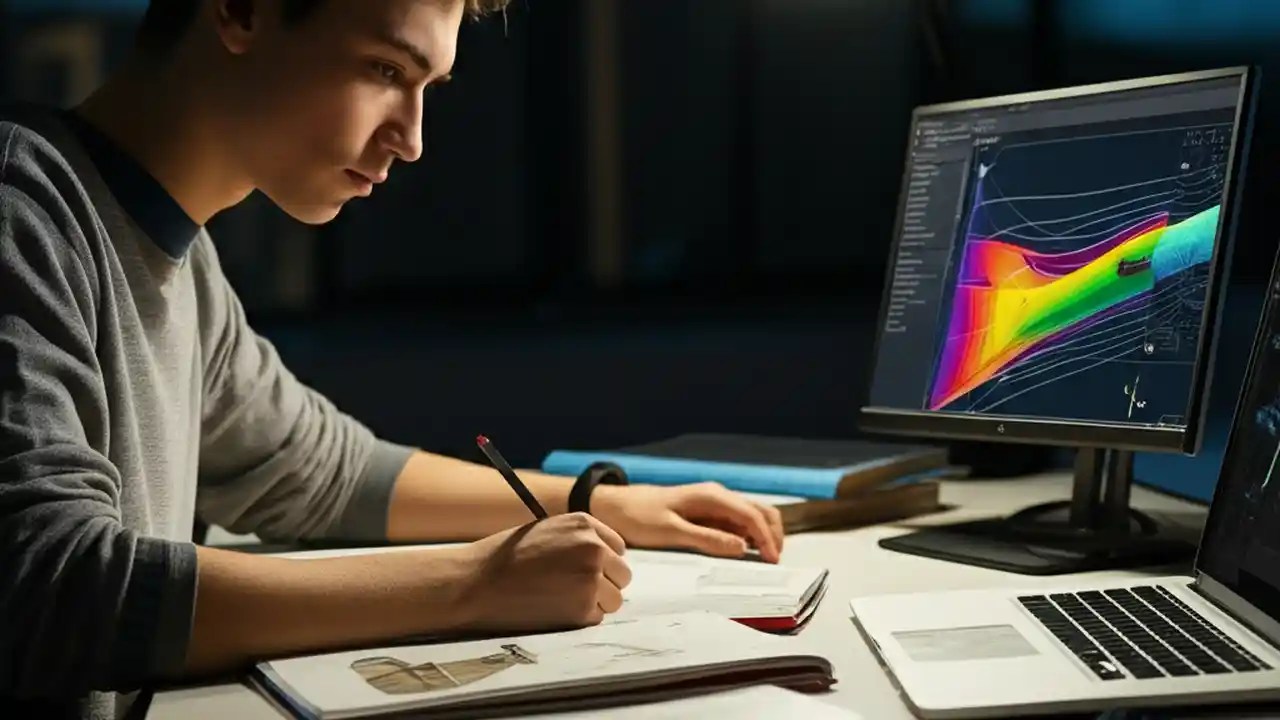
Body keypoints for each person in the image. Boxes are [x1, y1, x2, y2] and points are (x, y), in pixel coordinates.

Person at [0, 1, 786, 717]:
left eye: (428, 88)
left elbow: (321, 471)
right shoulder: (22, 210)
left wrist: (599, 503)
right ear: (239, 11)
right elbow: (55, 587)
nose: (411, 140)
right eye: (385, 70)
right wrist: (473, 586)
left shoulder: (177, 257)